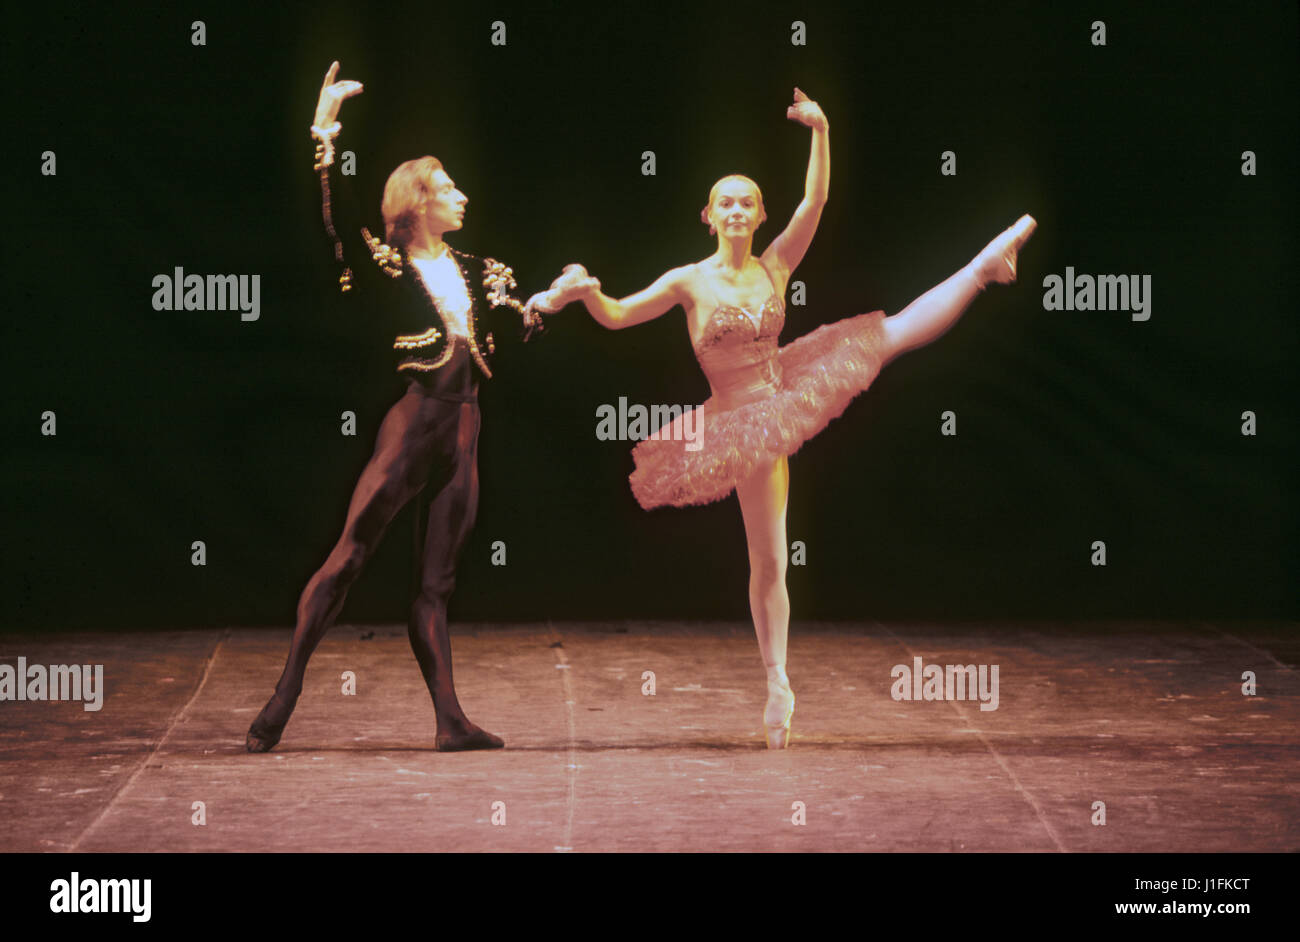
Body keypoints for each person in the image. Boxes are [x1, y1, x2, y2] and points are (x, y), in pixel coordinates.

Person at [529, 89, 1036, 748]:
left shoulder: (775, 265)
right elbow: (622, 314)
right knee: (766, 559)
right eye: (726, 201)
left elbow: (816, 202)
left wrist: (821, 129)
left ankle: (982, 266)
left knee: (894, 332)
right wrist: (586, 294)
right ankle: (777, 681)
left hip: (785, 389)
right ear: (708, 215)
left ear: (760, 214)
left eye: (749, 201)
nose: (738, 209)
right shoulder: (689, 281)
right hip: (734, 420)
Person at [246, 61, 545, 753]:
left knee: (435, 585)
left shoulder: (481, 267)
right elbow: (341, 219)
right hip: (415, 424)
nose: (462, 196)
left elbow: (512, 324)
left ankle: (449, 721)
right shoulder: (387, 263)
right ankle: (286, 690)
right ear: (417, 202)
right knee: (350, 557)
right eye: (448, 189)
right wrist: (325, 135)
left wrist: (544, 307)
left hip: (465, 431)